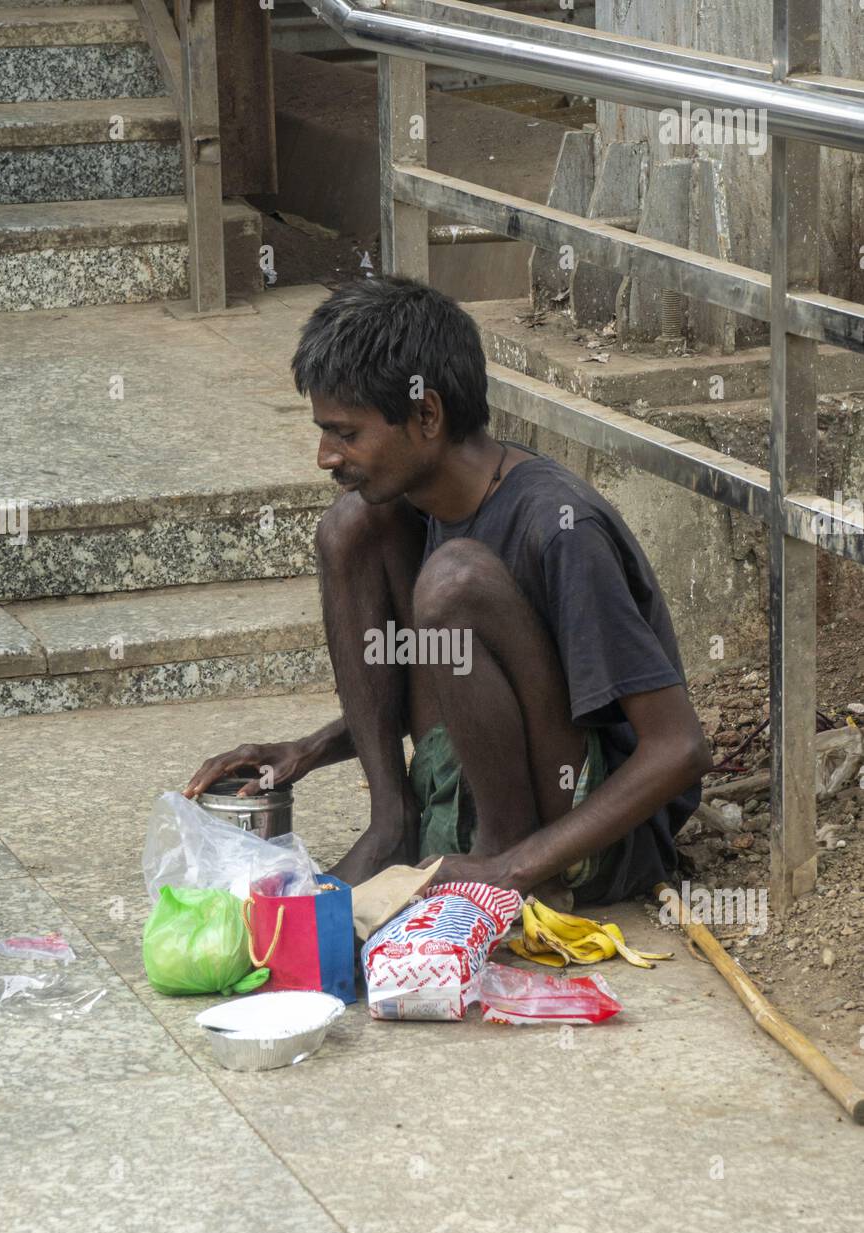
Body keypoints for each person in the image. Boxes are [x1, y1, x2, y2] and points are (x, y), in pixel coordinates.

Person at [185, 276, 711, 905]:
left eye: (346, 434)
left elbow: (679, 748)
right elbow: (459, 680)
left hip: (582, 831)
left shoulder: (561, 528)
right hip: (471, 778)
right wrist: (311, 747)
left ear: (426, 414)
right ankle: (395, 824)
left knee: (455, 582)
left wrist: (512, 867)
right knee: (351, 525)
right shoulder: (421, 508)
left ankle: (503, 862)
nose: (326, 456)